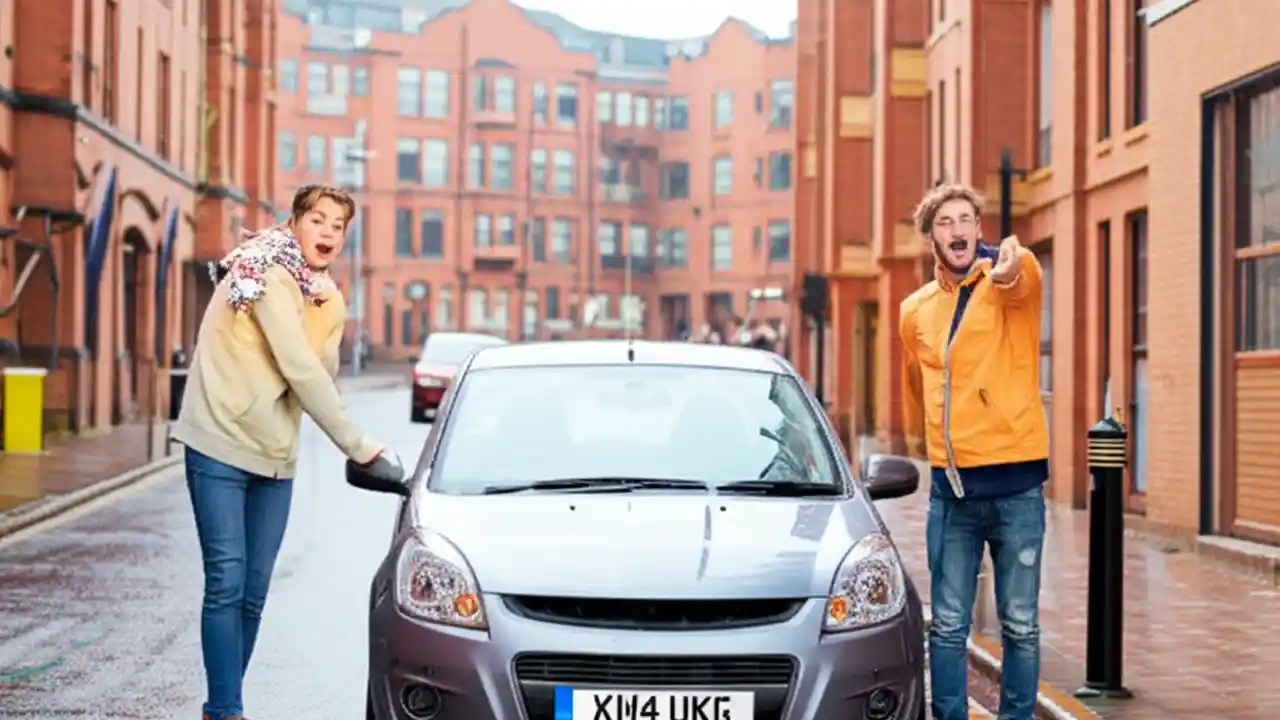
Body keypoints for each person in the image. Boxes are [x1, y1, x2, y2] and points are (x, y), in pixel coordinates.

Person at [171, 184, 400, 720]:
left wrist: (329, 307)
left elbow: (319, 374)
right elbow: (298, 369)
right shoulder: (265, 274)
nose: (326, 232)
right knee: (226, 582)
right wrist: (360, 447)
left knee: (252, 594)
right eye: (316, 219)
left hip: (275, 456)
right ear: (295, 222)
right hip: (220, 444)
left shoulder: (320, 294)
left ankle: (222, 705)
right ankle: (226, 710)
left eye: (337, 226)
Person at [898, 183, 1049, 720]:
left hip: (1017, 488)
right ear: (930, 238)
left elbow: (1019, 271)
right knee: (947, 624)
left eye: (965, 220)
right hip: (953, 492)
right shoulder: (914, 310)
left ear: (978, 230)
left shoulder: (1011, 280)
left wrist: (1008, 263)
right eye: (944, 222)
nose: (957, 230)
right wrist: (934, 447)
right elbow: (915, 388)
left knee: (1021, 624)